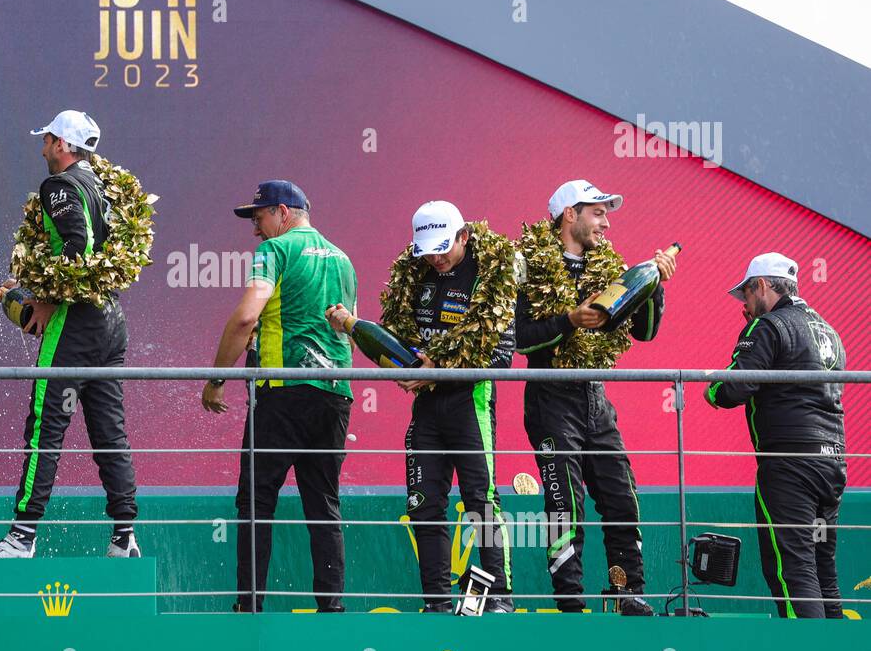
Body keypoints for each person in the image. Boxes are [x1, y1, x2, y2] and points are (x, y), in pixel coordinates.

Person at [0, 110, 139, 559]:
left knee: (45, 428)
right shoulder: (104, 184)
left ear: (62, 144)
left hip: (74, 323)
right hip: (110, 320)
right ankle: (125, 537)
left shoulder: (59, 185)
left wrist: (45, 299)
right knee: (110, 433)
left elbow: (78, 247)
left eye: (47, 139)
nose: (42, 146)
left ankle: (21, 538)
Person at [333, 201, 516, 612]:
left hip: (471, 402)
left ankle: (501, 598)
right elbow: (396, 345)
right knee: (423, 504)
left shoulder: (492, 275)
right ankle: (436, 602)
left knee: (481, 501)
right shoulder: (415, 275)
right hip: (428, 409)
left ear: (464, 236)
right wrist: (353, 326)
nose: (435, 259)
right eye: (427, 251)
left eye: (443, 249)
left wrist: (438, 371)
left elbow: (501, 358)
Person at [515, 180, 675, 613]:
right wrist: (568, 320)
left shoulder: (608, 267)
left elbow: (643, 332)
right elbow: (518, 338)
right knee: (565, 502)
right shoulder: (529, 264)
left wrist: (655, 286)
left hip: (595, 398)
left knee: (621, 496)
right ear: (570, 215)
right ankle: (570, 601)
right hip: (550, 396)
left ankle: (627, 591)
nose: (606, 223)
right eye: (598, 213)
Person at [203, 180, 356, 612]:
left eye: (259, 218)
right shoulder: (343, 259)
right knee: (324, 504)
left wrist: (216, 379)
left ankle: (249, 609)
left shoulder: (274, 250)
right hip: (335, 394)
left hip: (283, 394)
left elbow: (245, 318)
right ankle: (332, 610)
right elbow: (347, 332)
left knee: (256, 501)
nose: (255, 230)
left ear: (283, 213)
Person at [705, 253, 846, 619]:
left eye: (747, 295)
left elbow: (732, 389)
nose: (746, 305)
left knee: (792, 568)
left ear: (762, 285)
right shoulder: (828, 330)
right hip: (833, 463)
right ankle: (836, 650)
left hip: (789, 467)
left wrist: (710, 388)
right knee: (823, 569)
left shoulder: (768, 326)